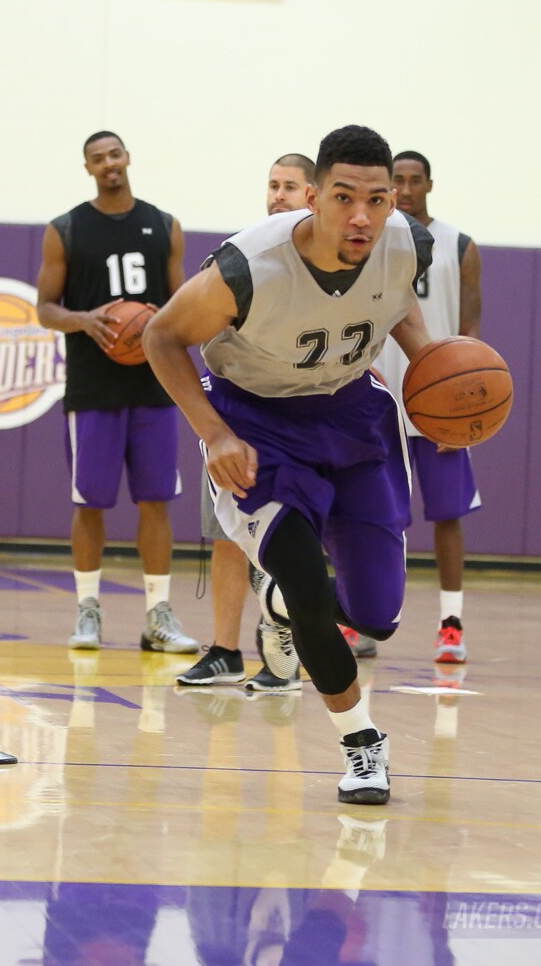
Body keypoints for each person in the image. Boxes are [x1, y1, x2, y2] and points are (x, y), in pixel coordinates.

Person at [143, 125, 436, 805]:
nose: (361, 216)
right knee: (308, 582)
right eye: (343, 197)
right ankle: (362, 744)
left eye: (377, 199)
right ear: (312, 196)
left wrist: (434, 367)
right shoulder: (250, 266)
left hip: (353, 416)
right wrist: (213, 434)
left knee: (376, 614)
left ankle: (280, 601)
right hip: (259, 426)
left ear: (394, 200)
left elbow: (396, 307)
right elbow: (161, 335)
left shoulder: (403, 243)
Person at [36, 131, 197, 654]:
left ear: (128, 159)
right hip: (93, 389)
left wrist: (155, 323)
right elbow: (45, 308)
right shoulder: (66, 230)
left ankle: (158, 615)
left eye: (115, 155)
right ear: (87, 168)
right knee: (90, 504)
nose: (109, 164)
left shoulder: (163, 226)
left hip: (154, 384)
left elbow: (179, 302)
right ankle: (88, 610)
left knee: (156, 502)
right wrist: (84, 320)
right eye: (98, 158)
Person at [179, 153, 315, 691]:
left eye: (290, 186)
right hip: (236, 410)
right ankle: (225, 652)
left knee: (291, 539)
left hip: (297, 415)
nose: (277, 195)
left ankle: (284, 644)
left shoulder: (329, 265)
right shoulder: (241, 254)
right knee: (227, 535)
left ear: (313, 196)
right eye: (272, 185)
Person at [372, 150, 483, 664]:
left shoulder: (459, 245)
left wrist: (461, 410)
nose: (408, 188)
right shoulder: (370, 237)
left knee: (447, 516)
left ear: (430, 185)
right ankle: (366, 620)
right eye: (399, 180)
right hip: (378, 406)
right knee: (376, 517)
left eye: (416, 180)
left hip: (439, 407)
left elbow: (470, 336)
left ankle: (451, 624)